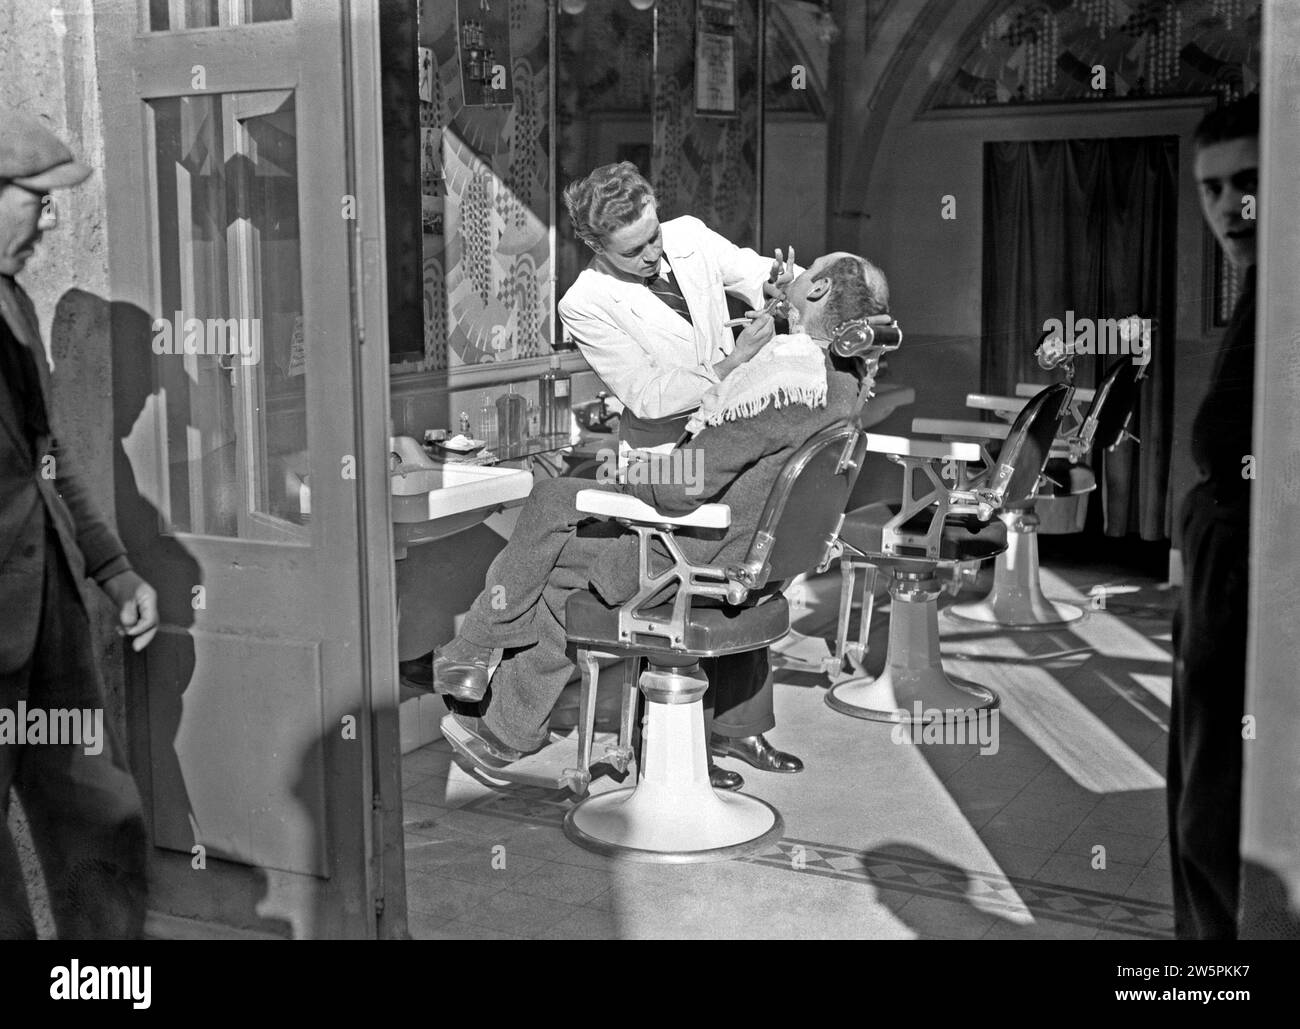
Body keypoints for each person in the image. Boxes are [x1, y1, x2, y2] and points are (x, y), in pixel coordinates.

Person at [430, 252, 889, 776]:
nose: (796, 273)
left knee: (552, 523)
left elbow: (682, 491)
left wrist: (630, 472)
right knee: (558, 532)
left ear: (820, 288)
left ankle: (487, 681)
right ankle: (495, 700)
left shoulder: (782, 381)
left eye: (808, 271)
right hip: (761, 562)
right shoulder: (843, 381)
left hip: (699, 556)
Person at [551, 161, 801, 787]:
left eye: (654, 235)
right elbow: (648, 394)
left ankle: (741, 731)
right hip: (669, 460)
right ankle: (674, 747)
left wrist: (795, 286)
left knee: (750, 570)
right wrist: (732, 363)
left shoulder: (687, 235)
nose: (654, 254)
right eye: (634, 250)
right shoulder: (583, 303)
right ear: (596, 246)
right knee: (680, 592)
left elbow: (758, 272)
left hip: (731, 443)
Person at [0, 109, 159, 939]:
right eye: (38, 197)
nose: (52, 216)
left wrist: (113, 568)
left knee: (100, 817)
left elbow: (47, 453)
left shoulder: (11, 304)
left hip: (49, 622)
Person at [1167, 93, 1258, 940]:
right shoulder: (1264, 287)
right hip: (1223, 581)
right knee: (1203, 808)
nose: (1230, 206)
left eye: (1251, 183)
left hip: (1252, 593)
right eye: (1213, 188)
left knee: (1218, 821)